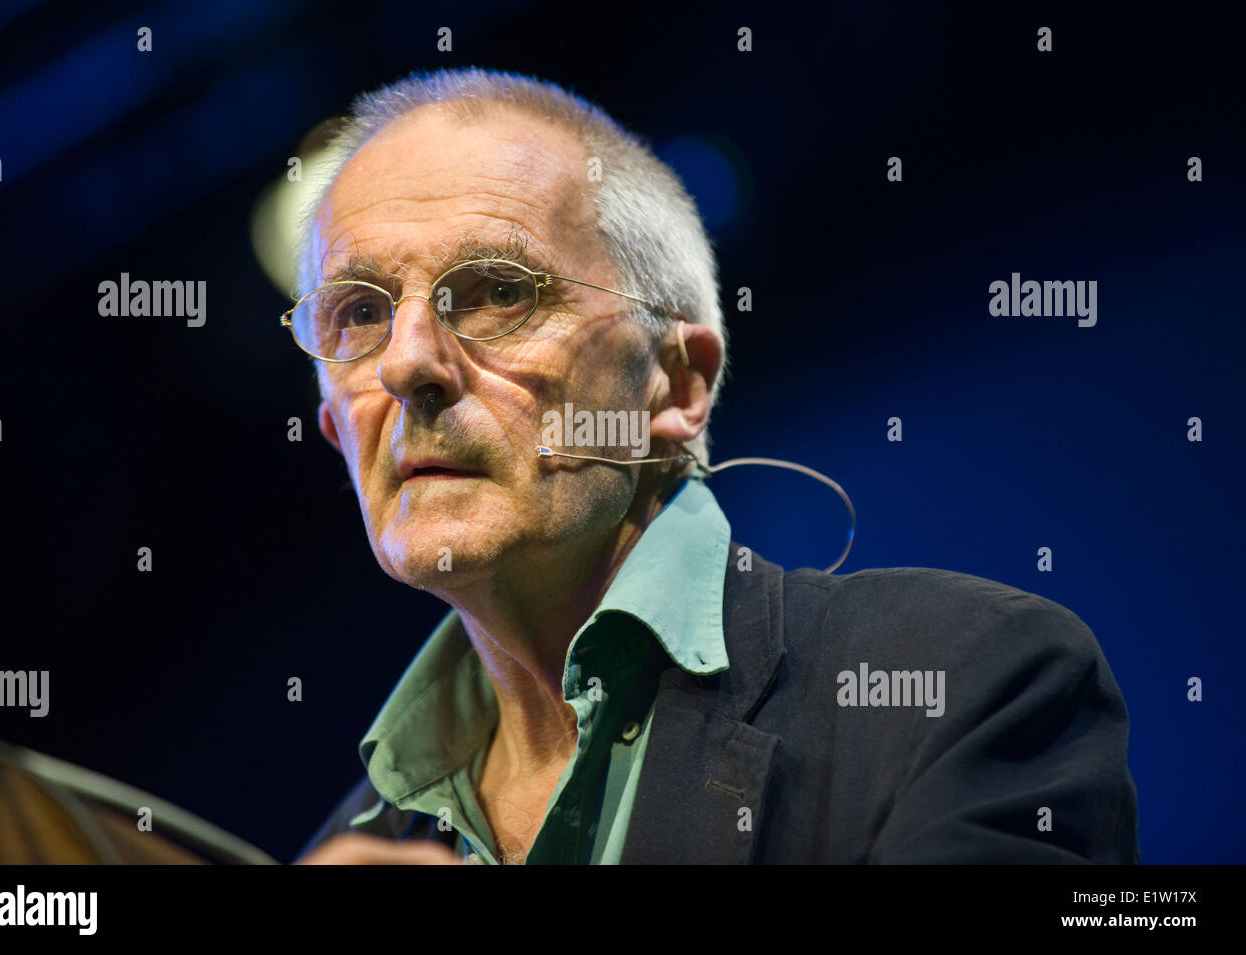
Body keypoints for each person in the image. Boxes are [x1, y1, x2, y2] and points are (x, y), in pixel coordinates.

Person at [287, 67, 1139, 864]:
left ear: (676, 384)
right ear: (334, 424)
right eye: (358, 312)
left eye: (500, 290)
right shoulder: (354, 836)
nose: (406, 365)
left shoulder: (965, 683)